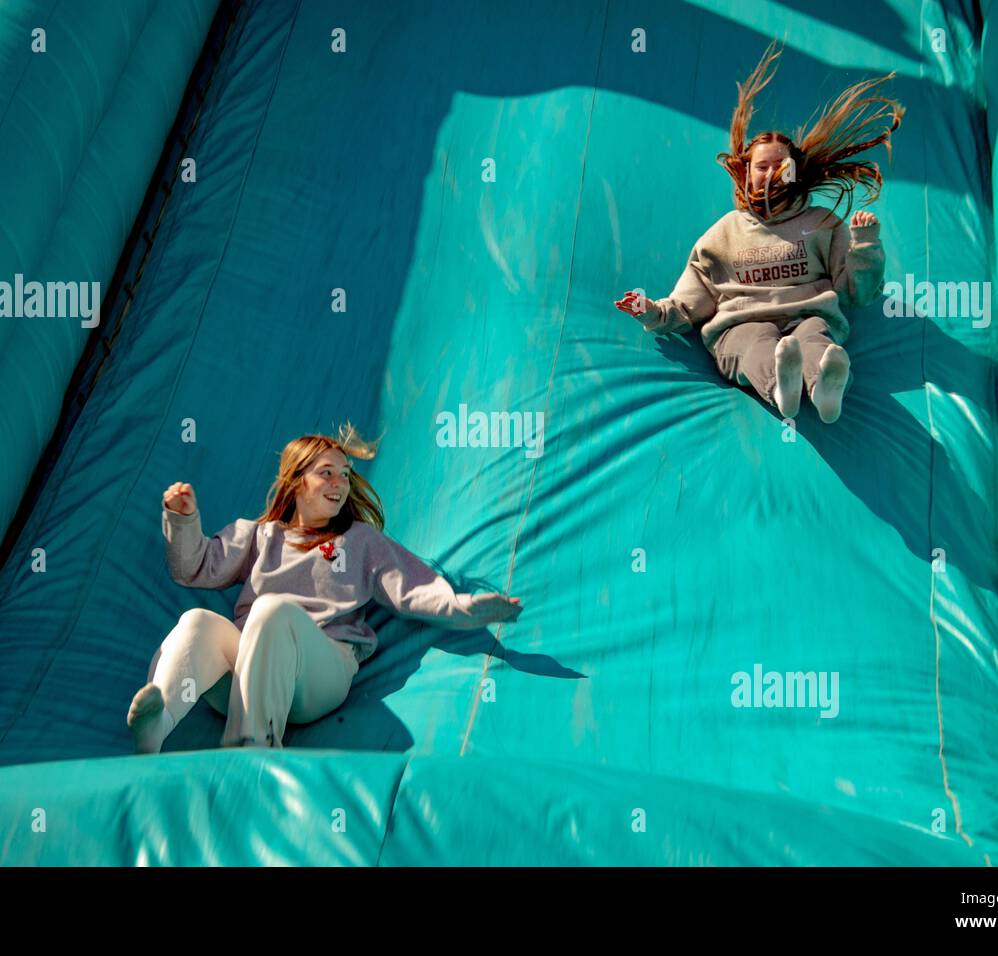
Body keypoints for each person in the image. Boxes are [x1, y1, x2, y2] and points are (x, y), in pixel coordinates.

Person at [126, 422, 522, 753]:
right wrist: (184, 521)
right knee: (196, 620)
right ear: (296, 482)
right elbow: (193, 568)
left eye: (346, 475)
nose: (340, 483)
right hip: (250, 674)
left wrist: (462, 607)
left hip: (318, 672)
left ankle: (252, 743)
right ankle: (157, 725)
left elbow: (410, 587)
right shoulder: (260, 536)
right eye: (327, 472)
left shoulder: (359, 541)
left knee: (272, 610)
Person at [615, 41, 904, 423]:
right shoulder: (723, 235)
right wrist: (653, 312)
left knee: (816, 339)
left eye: (779, 165)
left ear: (795, 171)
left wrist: (866, 249)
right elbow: (691, 301)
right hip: (741, 323)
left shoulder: (821, 223)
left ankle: (825, 387)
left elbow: (857, 292)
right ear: (745, 172)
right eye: (761, 167)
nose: (770, 173)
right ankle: (780, 386)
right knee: (753, 346)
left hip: (806, 315)